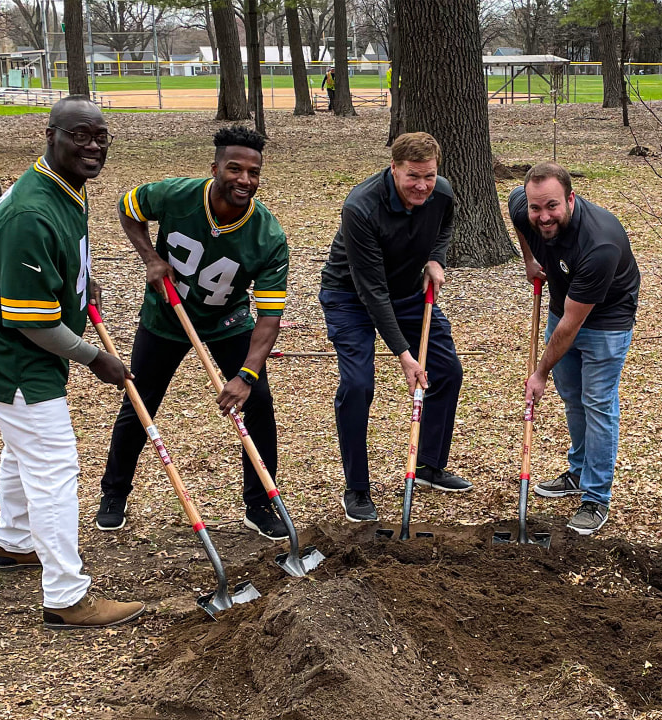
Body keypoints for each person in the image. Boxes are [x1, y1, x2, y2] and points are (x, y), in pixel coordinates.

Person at [0, 96, 146, 630]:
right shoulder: (30, 211)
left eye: (101, 136)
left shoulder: (61, 188)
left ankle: (14, 543)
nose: (94, 146)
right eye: (80, 135)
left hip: (15, 348)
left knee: (23, 451)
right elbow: (31, 321)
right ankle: (66, 595)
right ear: (50, 134)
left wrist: (79, 287)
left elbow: (50, 269)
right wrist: (94, 357)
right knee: (53, 465)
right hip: (8, 356)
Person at [96, 126, 292, 541]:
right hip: (166, 317)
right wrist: (151, 258)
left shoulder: (269, 236)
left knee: (259, 402)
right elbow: (127, 208)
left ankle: (259, 505)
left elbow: (270, 317)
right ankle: (113, 493)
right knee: (140, 401)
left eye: (253, 172)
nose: (244, 179)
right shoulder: (175, 195)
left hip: (228, 322)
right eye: (235, 168)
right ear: (215, 167)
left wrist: (246, 376)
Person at [320, 131, 471, 523]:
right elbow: (371, 291)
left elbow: (443, 229)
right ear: (394, 169)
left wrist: (436, 259)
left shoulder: (442, 193)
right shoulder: (361, 207)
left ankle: (428, 466)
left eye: (429, 176)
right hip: (350, 296)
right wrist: (404, 356)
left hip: (407, 291)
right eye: (412, 177)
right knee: (357, 385)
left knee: (448, 372)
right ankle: (356, 488)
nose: (422, 186)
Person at [509, 162, 640, 536]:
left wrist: (539, 372)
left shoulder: (599, 243)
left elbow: (572, 325)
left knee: (597, 402)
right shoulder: (525, 206)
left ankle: (596, 498)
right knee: (572, 396)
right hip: (563, 304)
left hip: (605, 318)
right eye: (537, 208)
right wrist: (531, 259)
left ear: (570, 198)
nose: (543, 216)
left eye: (552, 206)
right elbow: (517, 212)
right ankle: (578, 472)